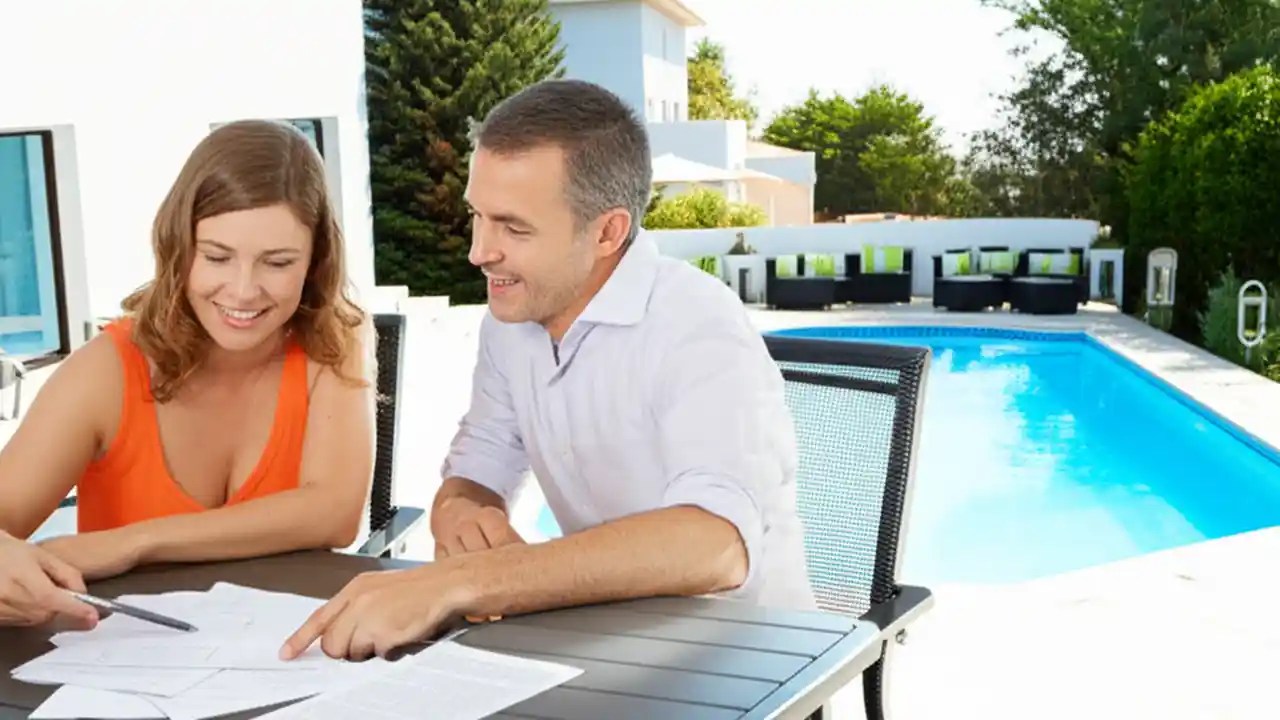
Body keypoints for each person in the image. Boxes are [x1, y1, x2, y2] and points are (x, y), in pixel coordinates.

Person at [280, 79, 815, 663]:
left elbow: (718, 545)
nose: (478, 251)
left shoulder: (698, 325)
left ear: (607, 231)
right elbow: (476, 467)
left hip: (748, 661)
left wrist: (467, 581)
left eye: (513, 228)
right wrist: (461, 514)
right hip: (610, 647)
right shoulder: (513, 321)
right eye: (478, 218)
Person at [0, 120, 375, 628]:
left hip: (285, 656)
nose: (244, 291)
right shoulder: (105, 371)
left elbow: (333, 514)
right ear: (179, 248)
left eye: (278, 262)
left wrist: (134, 542)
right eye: (217, 257)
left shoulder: (338, 340)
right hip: (115, 663)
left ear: (314, 262)